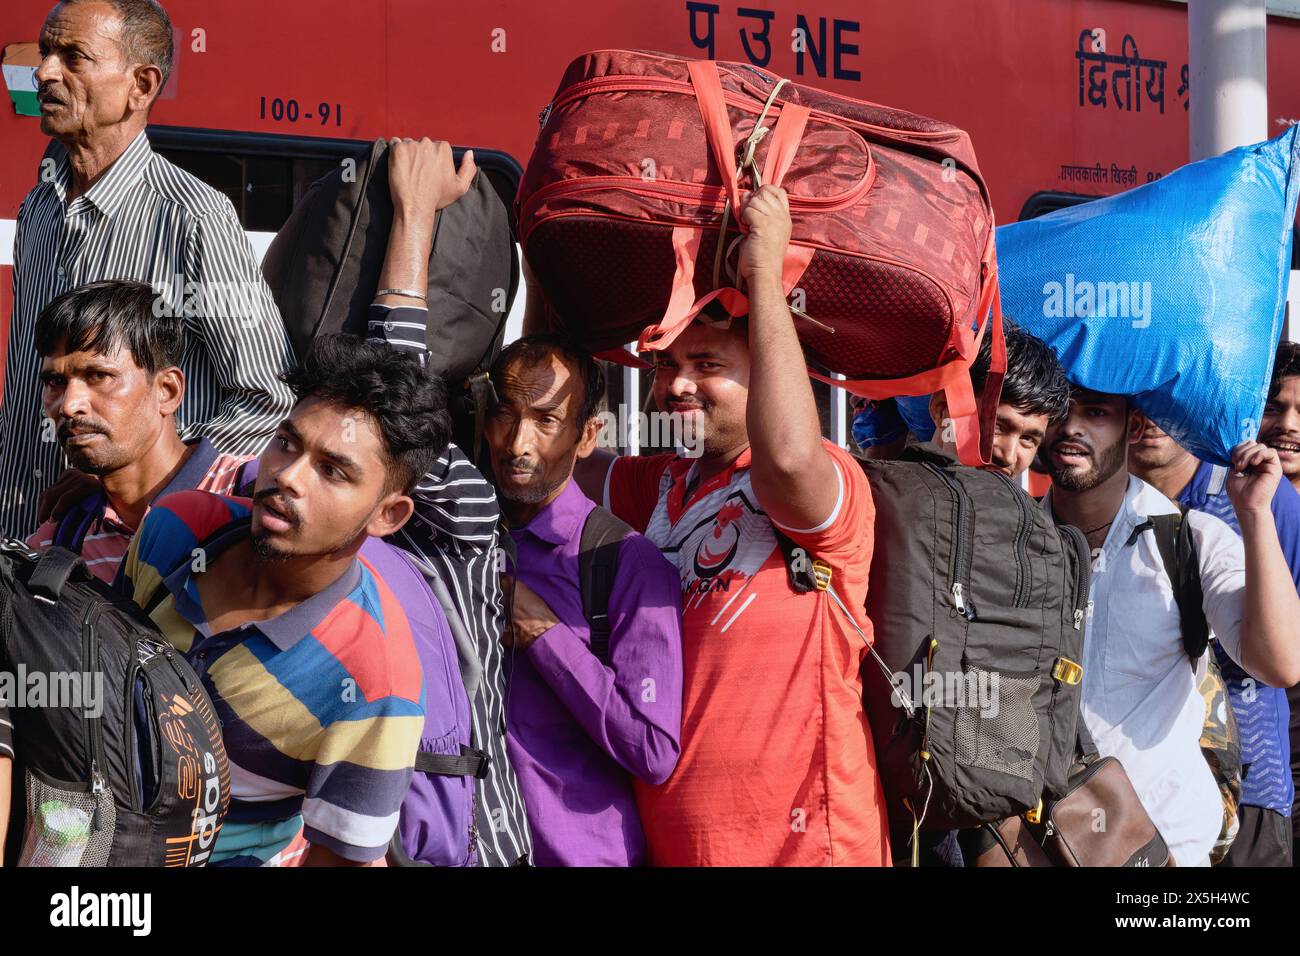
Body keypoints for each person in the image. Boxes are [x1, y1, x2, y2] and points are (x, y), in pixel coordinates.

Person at [575, 185, 890, 866]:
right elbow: (548, 462)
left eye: (708, 365)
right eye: (667, 365)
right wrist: (552, 274)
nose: (676, 385)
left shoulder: (825, 481)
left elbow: (785, 455)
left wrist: (766, 279)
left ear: (768, 371)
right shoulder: (656, 484)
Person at [118, 335, 445, 866]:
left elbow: (338, 861)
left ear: (387, 515)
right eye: (287, 443)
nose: (287, 476)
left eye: (333, 471)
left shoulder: (377, 681)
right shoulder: (178, 526)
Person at [2, 0, 296, 537]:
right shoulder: (38, 211)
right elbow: (24, 387)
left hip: (129, 548)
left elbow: (266, 399)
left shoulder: (193, 216)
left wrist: (139, 475)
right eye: (44, 54)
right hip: (21, 524)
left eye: (73, 57)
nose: (43, 72)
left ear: (141, 85)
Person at [1039, 385, 1300, 865]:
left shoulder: (1190, 539)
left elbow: (1279, 662)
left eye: (1096, 413)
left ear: (1133, 427)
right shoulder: (1011, 541)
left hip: (1164, 846)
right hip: (1036, 844)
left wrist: (1256, 514)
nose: (1072, 427)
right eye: (1059, 411)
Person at [486, 334, 682, 866]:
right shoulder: (465, 541)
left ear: (587, 435)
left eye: (546, 421)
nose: (517, 443)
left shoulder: (623, 561)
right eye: (506, 414)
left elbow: (653, 749)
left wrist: (545, 636)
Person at [25, 281, 250, 578]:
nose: (69, 406)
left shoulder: (251, 497)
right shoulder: (59, 542)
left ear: (167, 391)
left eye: (98, 375)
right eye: (55, 381)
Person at [925, 319, 1069, 480]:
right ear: (941, 408)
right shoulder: (893, 500)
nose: (1009, 456)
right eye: (997, 426)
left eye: (1028, 439)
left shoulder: (1027, 506)